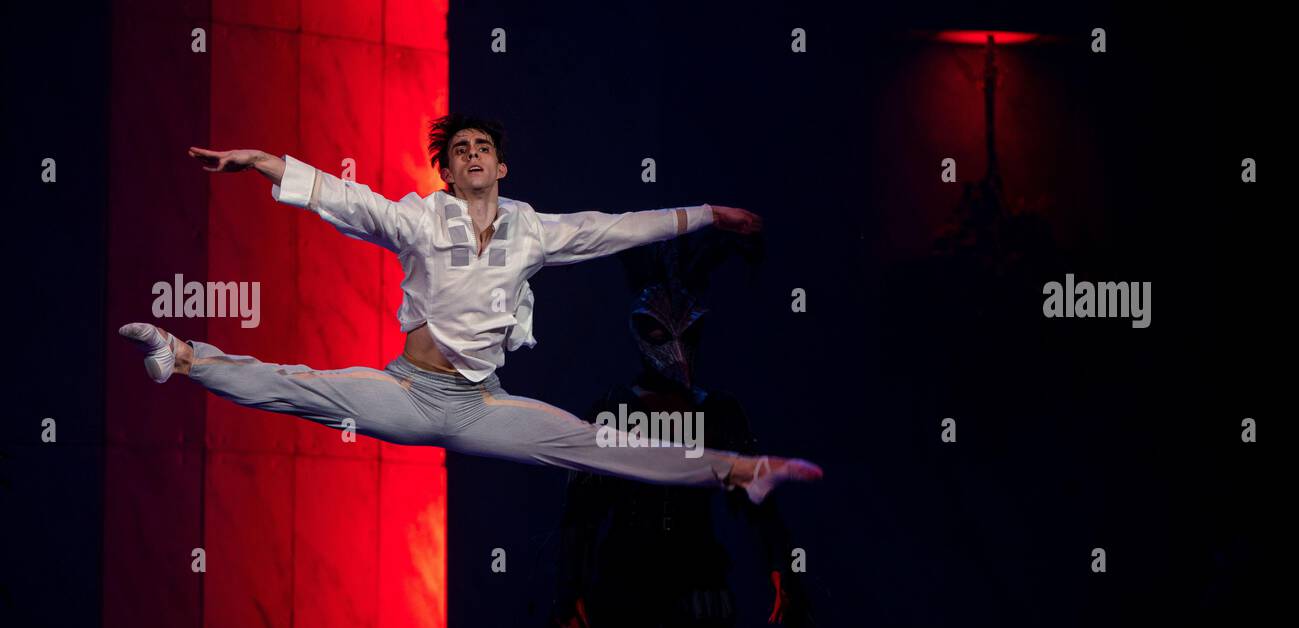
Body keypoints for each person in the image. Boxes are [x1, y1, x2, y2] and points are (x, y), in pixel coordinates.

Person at [118, 112, 820, 504]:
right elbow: (347, 200)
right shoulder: (419, 218)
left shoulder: (533, 229)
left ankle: (738, 470)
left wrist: (708, 215)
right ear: (448, 171)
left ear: (501, 167)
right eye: (462, 150)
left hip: (483, 405)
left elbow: (617, 226)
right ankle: (180, 355)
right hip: (408, 393)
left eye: (484, 147)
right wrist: (266, 160)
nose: (475, 155)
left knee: (594, 443)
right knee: (302, 388)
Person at [536, 233, 860, 628]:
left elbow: (774, 541)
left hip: (693, 600)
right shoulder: (614, 411)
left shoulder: (719, 415)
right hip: (625, 599)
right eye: (660, 334)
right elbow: (576, 530)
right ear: (638, 332)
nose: (679, 352)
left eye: (689, 335)